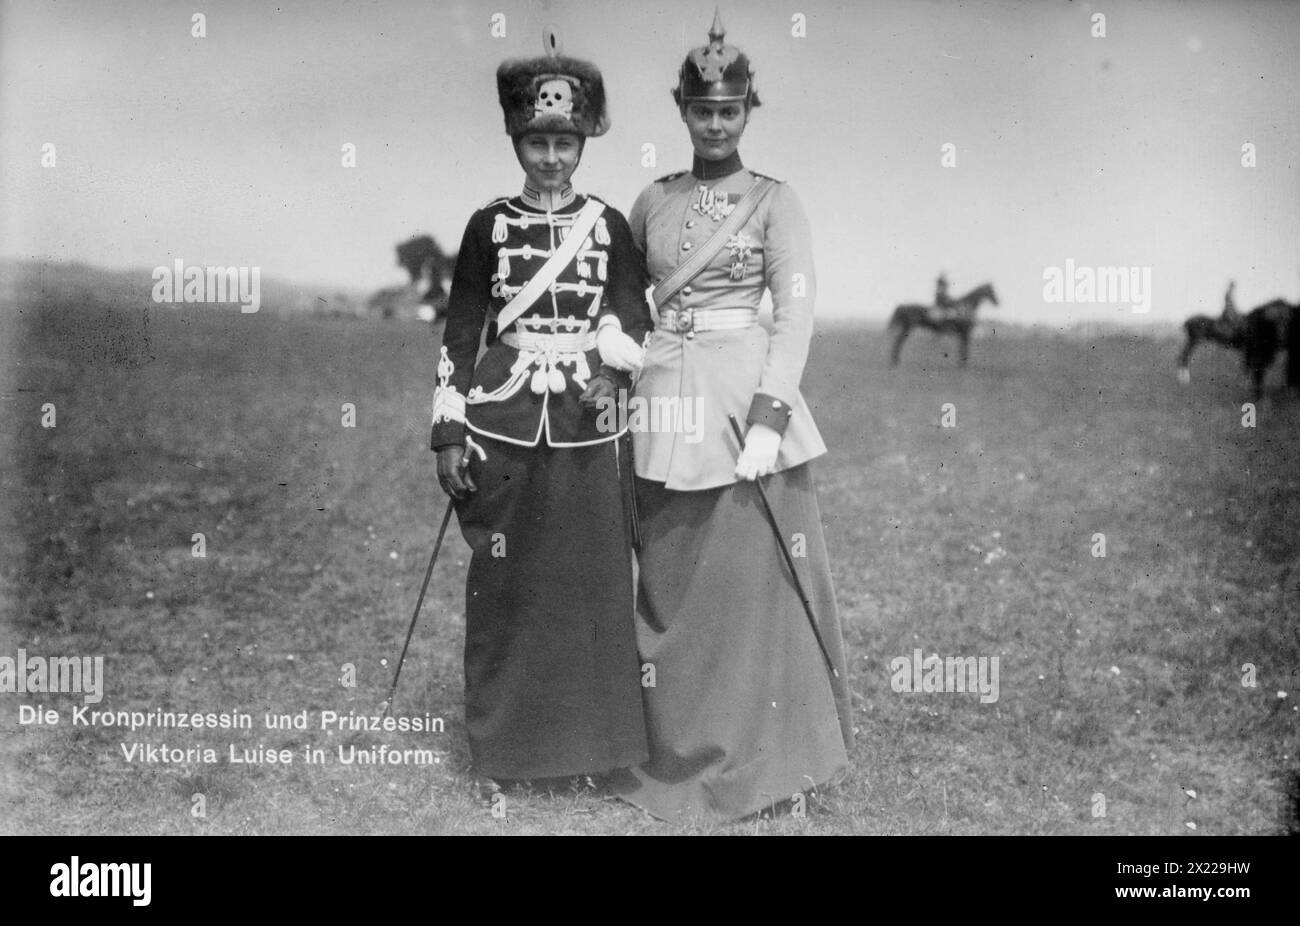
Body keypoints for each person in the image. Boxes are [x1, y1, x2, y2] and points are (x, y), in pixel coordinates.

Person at [607, 13, 854, 822]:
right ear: (681, 109)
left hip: (743, 402)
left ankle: (763, 764)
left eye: (731, 110)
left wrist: (770, 419)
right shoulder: (652, 200)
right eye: (702, 109)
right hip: (663, 403)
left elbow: (795, 314)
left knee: (748, 594)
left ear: (749, 112)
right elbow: (628, 303)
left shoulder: (778, 203)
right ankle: (671, 746)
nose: (716, 124)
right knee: (671, 585)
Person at [429, 37, 652, 792]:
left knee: (593, 585)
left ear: (582, 142)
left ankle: (595, 752)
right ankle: (505, 752)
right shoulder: (486, 225)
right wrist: (447, 430)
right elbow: (462, 333)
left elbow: (635, 316)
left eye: (564, 142)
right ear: (516, 140)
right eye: (537, 142)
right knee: (506, 581)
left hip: (592, 421)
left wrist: (615, 369)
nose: (551, 157)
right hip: (503, 420)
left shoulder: (609, 224)